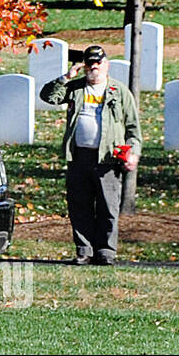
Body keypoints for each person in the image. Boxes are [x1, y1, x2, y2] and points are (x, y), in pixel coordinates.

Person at [39, 45, 141, 266]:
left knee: (108, 207)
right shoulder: (75, 88)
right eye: (89, 63)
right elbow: (48, 96)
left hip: (108, 158)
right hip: (79, 156)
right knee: (80, 205)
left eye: (98, 63)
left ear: (106, 65)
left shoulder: (119, 91)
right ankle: (84, 250)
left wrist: (133, 153)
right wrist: (66, 77)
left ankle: (106, 251)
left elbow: (133, 129)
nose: (94, 68)